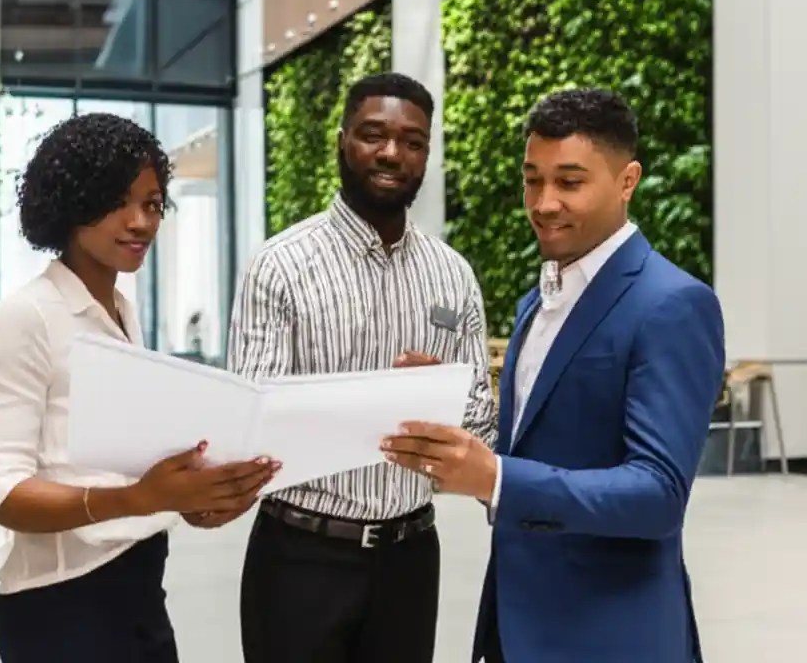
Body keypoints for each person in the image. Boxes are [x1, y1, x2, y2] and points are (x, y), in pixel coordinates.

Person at [381, 89, 726, 662]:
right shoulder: (534, 304)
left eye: (569, 182)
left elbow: (658, 495)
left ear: (627, 180)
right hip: (517, 625)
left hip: (611, 633)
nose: (543, 203)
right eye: (532, 179)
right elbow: (533, 443)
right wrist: (448, 410)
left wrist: (497, 478)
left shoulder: (672, 304)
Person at [0, 112, 281, 663]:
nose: (140, 222)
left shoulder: (119, 312)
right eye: (119, 201)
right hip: (60, 607)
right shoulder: (26, 318)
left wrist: (188, 499)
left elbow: (112, 466)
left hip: (137, 588)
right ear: (70, 201)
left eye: (153, 204)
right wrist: (140, 498)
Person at [228, 72, 497, 663]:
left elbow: (481, 424)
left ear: (426, 153)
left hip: (410, 555)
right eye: (373, 134)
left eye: (413, 141)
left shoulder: (453, 275)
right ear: (342, 140)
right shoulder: (281, 266)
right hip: (300, 556)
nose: (392, 153)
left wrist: (445, 392)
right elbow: (249, 424)